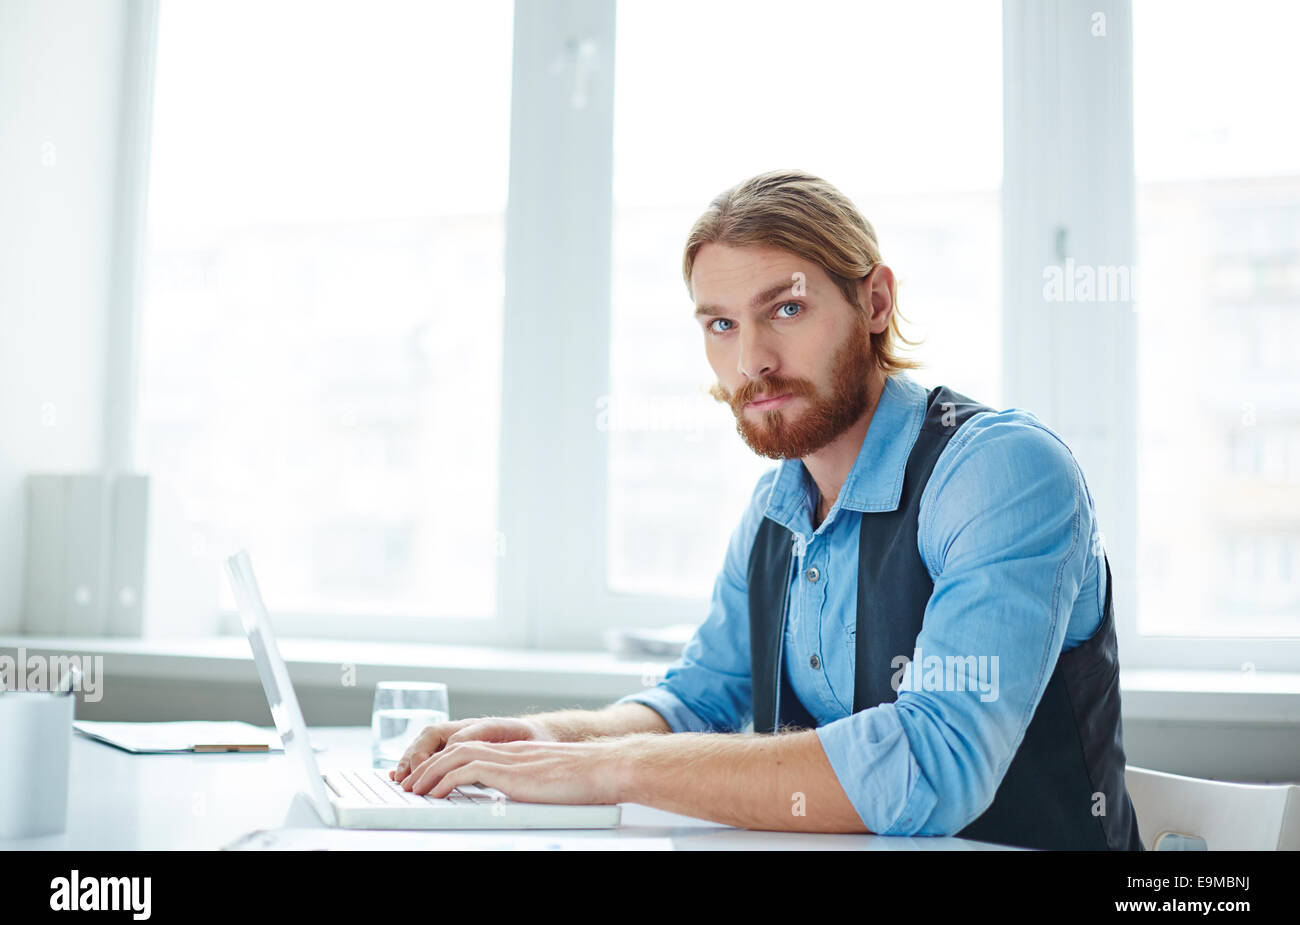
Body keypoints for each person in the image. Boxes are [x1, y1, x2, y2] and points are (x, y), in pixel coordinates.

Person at [391, 169, 1143, 850]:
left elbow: (934, 763)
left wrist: (611, 768)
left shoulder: (999, 472)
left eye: (784, 308)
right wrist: (542, 738)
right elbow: (700, 700)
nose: (750, 360)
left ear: (874, 302)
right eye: (720, 324)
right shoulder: (778, 506)